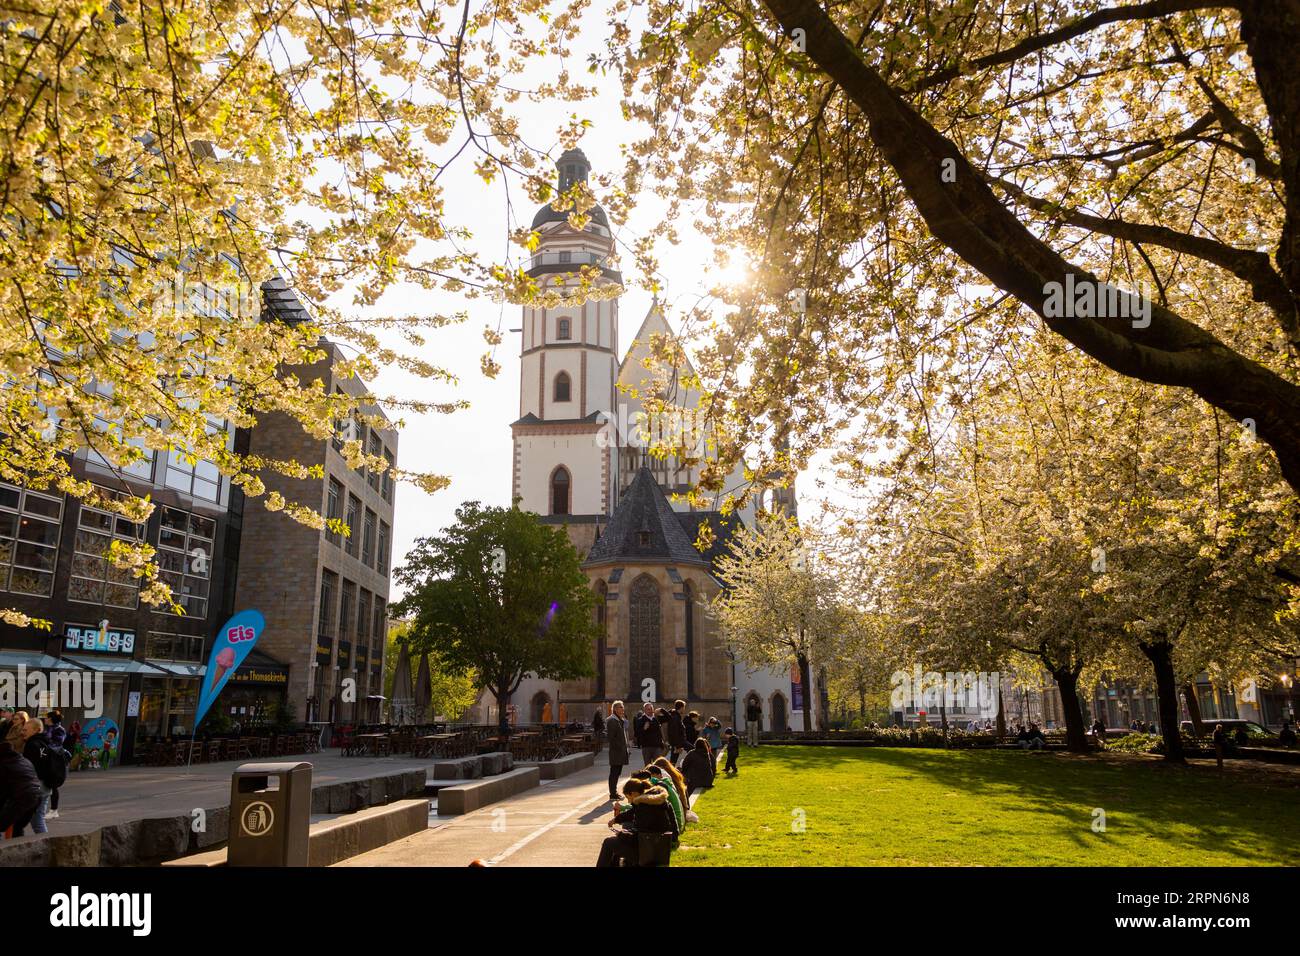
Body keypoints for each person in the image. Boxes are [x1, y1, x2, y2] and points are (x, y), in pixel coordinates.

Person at [595, 778, 678, 867]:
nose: (629, 802)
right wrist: (617, 820)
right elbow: (672, 830)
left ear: (634, 794)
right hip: (663, 850)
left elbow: (639, 835)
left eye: (628, 798)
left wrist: (622, 834)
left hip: (647, 853)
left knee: (609, 842)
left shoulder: (643, 807)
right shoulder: (663, 802)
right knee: (618, 842)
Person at [19, 717, 65, 836]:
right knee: (37, 819)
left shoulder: (33, 744)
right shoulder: (44, 742)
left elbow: (34, 767)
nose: (22, 732)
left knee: (29, 819)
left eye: (26, 730)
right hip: (45, 785)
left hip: (37, 786)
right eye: (23, 730)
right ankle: (45, 841)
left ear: (37, 730)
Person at [0, 718, 41, 839]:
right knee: (18, 827)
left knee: (2, 824)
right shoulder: (20, 758)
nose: (23, 733)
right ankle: (18, 851)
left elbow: (3, 790)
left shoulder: (5, 763)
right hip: (36, 795)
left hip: (24, 796)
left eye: (25, 730)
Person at [605, 700, 629, 802]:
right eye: (620, 707)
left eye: (623, 707)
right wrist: (621, 747)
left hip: (620, 751)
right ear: (615, 709)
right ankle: (613, 794)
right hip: (616, 752)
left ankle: (614, 793)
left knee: (617, 772)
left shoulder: (619, 720)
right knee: (614, 773)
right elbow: (611, 738)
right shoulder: (612, 720)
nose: (622, 709)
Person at [44, 711, 66, 819]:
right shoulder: (47, 728)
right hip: (46, 758)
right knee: (45, 784)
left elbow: (57, 743)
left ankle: (54, 810)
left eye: (47, 718)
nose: (45, 719)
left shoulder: (59, 730)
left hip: (55, 760)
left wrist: (44, 743)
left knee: (53, 785)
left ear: (51, 719)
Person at [664, 700, 688, 764]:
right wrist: (677, 746)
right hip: (678, 743)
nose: (684, 709)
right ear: (681, 708)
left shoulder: (677, 717)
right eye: (684, 707)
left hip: (678, 743)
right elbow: (674, 733)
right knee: (673, 761)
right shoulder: (675, 717)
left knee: (673, 761)